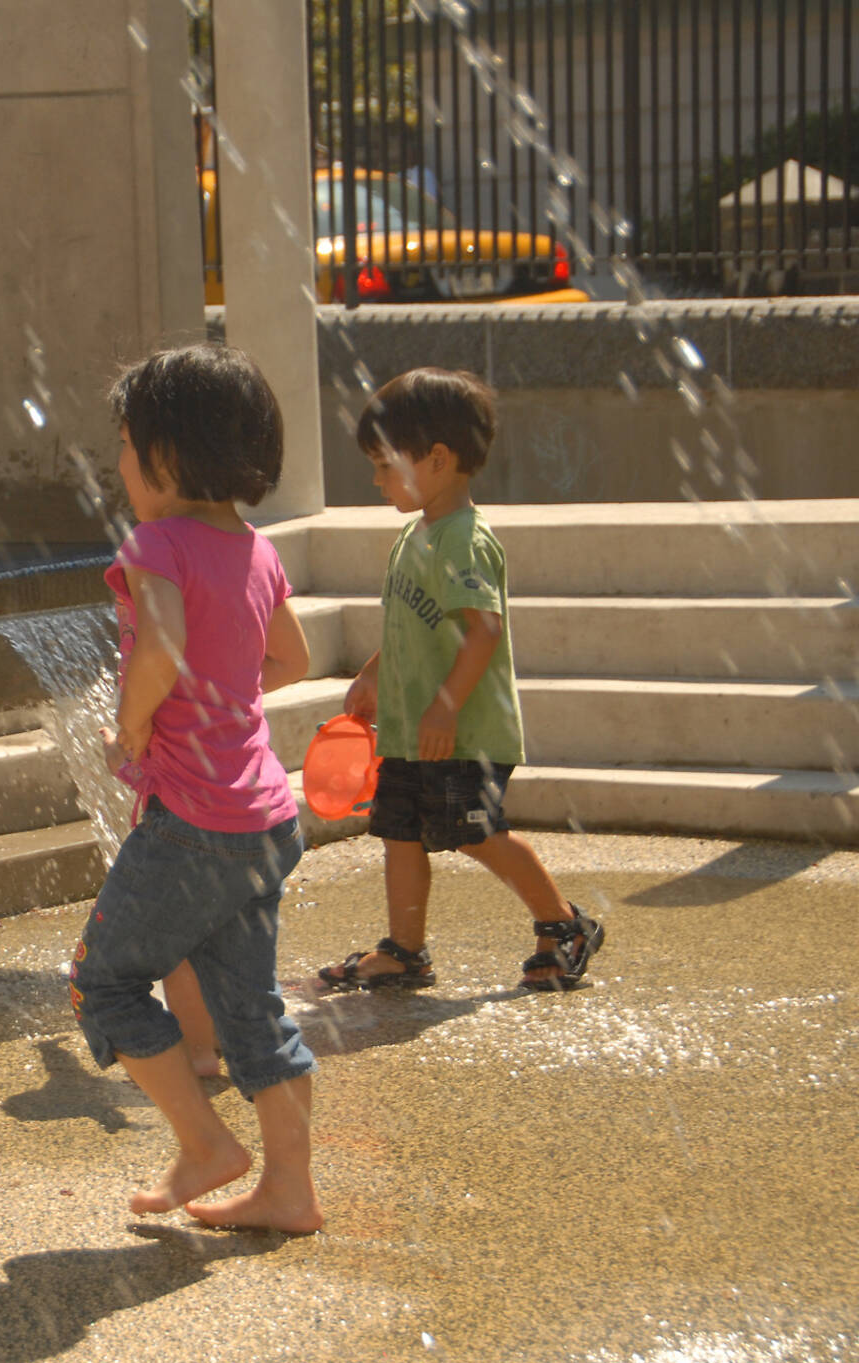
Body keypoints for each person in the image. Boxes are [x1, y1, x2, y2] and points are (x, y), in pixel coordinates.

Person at [68, 343, 321, 1234]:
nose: (122, 471)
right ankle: (291, 1189)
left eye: (128, 451)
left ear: (166, 457)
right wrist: (224, 704)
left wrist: (137, 725)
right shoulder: (253, 551)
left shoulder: (157, 542)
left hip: (193, 824)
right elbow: (289, 658)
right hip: (266, 815)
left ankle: (204, 1142)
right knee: (252, 1008)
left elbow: (162, 648)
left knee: (102, 984)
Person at [315, 368, 604, 994]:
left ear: (438, 460)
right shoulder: (413, 537)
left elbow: (484, 631)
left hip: (462, 731)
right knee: (398, 830)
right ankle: (404, 949)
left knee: (475, 832)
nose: (375, 479)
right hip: (410, 729)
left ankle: (563, 924)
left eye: (385, 464)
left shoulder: (465, 541)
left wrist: (445, 708)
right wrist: (370, 676)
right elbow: (406, 629)